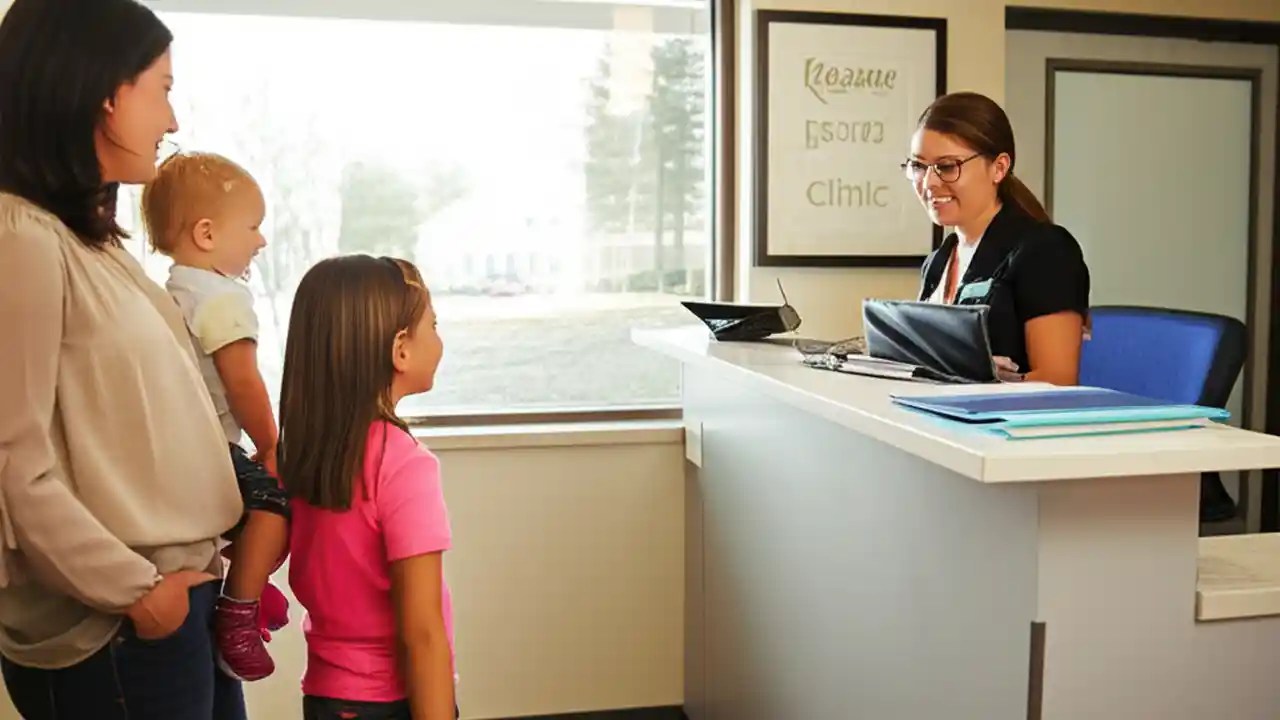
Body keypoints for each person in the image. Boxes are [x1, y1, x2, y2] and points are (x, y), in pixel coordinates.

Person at [0, 0, 248, 718]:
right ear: (105, 92)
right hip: (113, 626)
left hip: (169, 607)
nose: (172, 120)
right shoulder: (22, 240)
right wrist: (140, 594)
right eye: (163, 88)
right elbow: (12, 465)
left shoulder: (94, 245)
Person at [281, 256, 457, 720]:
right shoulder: (403, 463)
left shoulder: (302, 452)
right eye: (433, 325)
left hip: (325, 696)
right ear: (400, 348)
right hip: (389, 701)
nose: (439, 339)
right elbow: (422, 633)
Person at [141, 151, 292, 682]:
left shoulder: (168, 290)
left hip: (174, 445)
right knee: (274, 506)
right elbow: (242, 380)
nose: (260, 241)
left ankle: (244, 588)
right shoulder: (223, 298)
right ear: (206, 233)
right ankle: (239, 613)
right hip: (207, 444)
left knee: (245, 514)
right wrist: (271, 443)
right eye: (252, 227)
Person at [904, 91, 1091, 385]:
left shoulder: (1046, 251)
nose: (928, 182)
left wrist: (983, 378)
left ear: (999, 167)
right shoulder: (939, 261)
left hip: (1009, 428)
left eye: (947, 166)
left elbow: (1058, 381)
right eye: (918, 166)